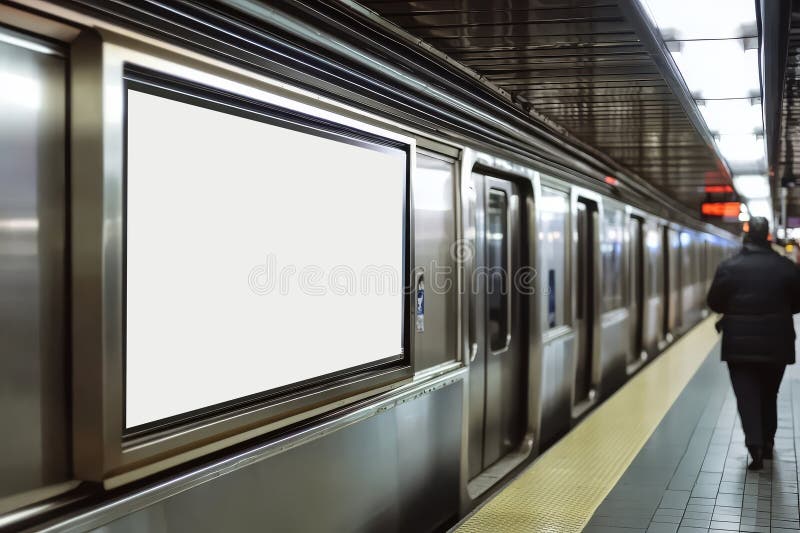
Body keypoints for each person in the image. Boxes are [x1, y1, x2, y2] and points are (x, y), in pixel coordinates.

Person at [707, 216, 800, 470]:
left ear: (748, 234)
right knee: (769, 394)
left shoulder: (729, 266)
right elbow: (797, 303)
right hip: (777, 343)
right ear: (768, 235)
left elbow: (714, 302)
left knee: (747, 396)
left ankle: (755, 447)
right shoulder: (786, 267)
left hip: (739, 345)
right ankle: (768, 443)